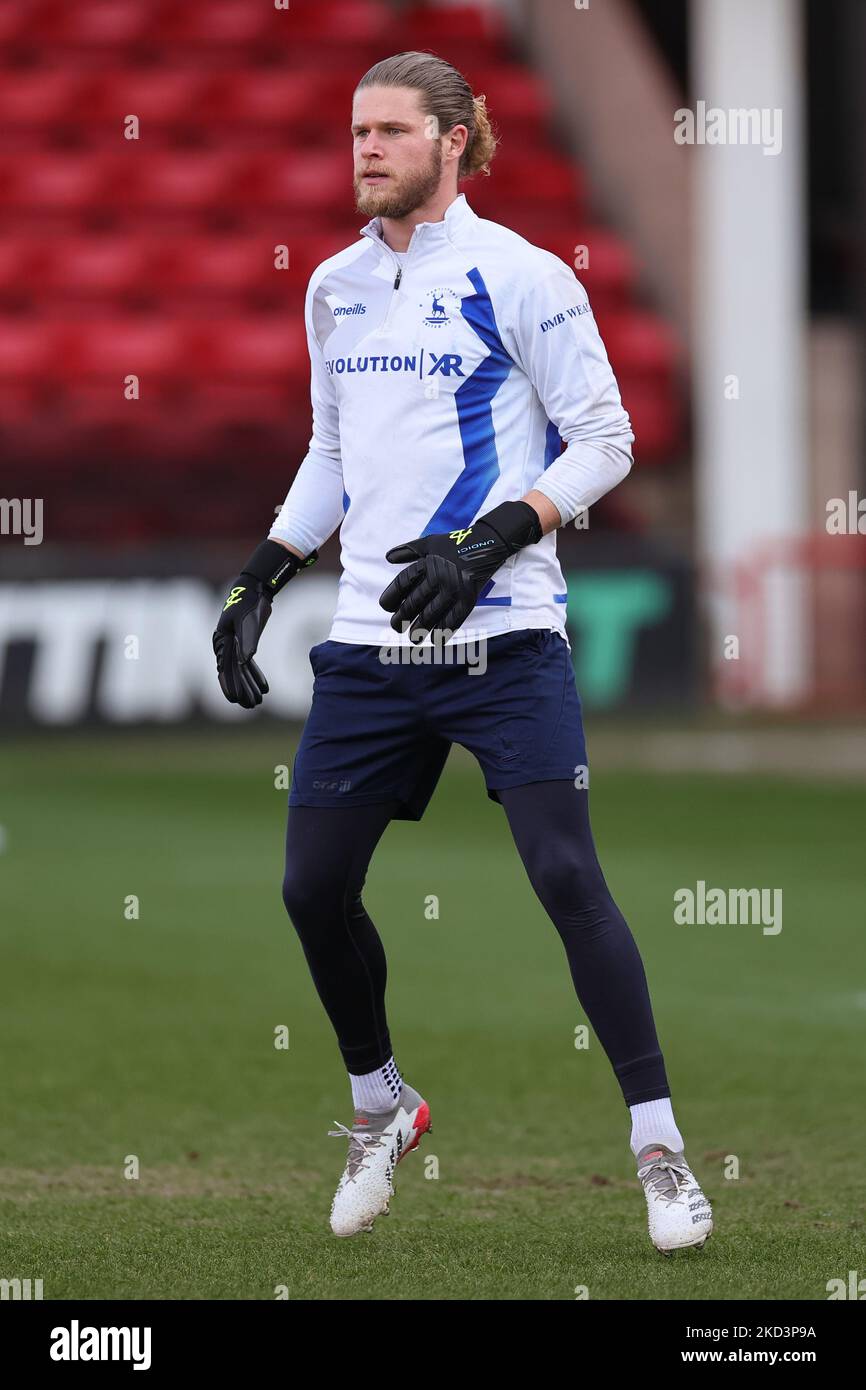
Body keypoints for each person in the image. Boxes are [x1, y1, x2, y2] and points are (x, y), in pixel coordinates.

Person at [213, 50, 712, 1254]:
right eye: (354, 133)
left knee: (561, 876)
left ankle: (659, 1148)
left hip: (504, 641)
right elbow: (331, 451)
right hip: (373, 646)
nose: (365, 150)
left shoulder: (523, 276)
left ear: (453, 141)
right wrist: (264, 574)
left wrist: (489, 541)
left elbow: (604, 438)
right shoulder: (331, 287)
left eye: (389, 130)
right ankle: (380, 1102)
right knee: (309, 889)